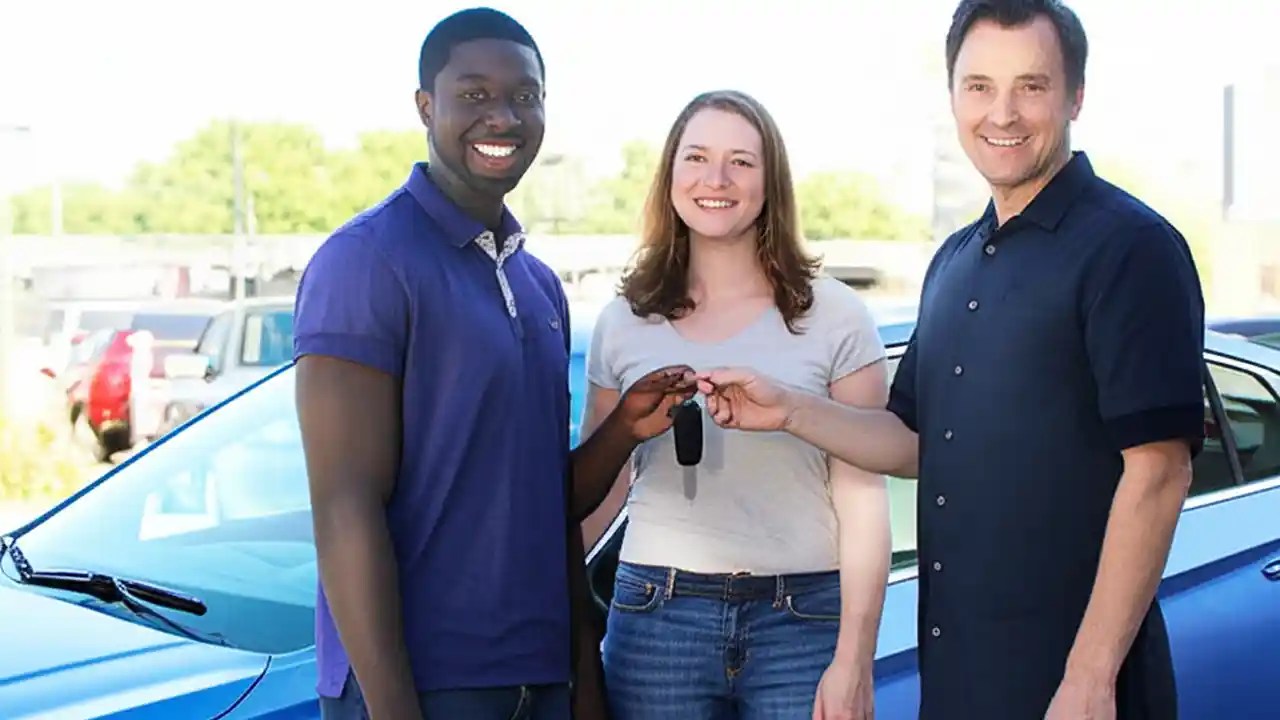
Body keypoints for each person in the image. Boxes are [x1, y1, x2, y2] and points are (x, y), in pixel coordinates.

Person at [695, 2, 1205, 718]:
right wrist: (789, 409)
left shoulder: (1130, 248)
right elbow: (912, 442)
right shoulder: (954, 262)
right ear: (953, 96)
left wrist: (1090, 678)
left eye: (1031, 85)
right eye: (979, 86)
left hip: (1074, 686)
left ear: (1076, 96)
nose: (1003, 112)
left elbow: (1160, 472)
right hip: (961, 674)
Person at [293, 8, 694, 719]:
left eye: (524, 96)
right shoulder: (366, 261)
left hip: (535, 680)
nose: (502, 116)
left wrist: (582, 679)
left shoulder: (537, 284)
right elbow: (344, 505)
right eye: (474, 95)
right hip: (421, 686)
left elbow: (544, 506)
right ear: (426, 106)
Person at [577, 89, 891, 720]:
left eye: (741, 162)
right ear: (670, 176)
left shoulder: (836, 317)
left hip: (803, 622)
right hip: (654, 619)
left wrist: (854, 659)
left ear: (771, 180)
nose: (715, 179)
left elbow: (864, 495)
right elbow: (596, 491)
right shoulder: (622, 322)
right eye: (696, 158)